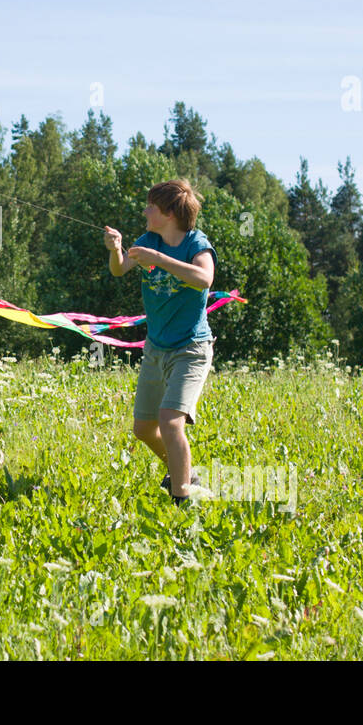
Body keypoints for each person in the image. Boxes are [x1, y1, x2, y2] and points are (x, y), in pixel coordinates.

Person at [103, 179, 215, 506]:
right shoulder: (148, 239)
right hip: (155, 347)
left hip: (190, 349)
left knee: (169, 421)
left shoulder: (197, 244)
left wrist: (159, 258)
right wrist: (116, 249)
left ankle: (182, 500)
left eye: (151, 205)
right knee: (143, 429)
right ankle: (185, 474)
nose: (145, 210)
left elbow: (204, 279)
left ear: (168, 213)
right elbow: (120, 269)